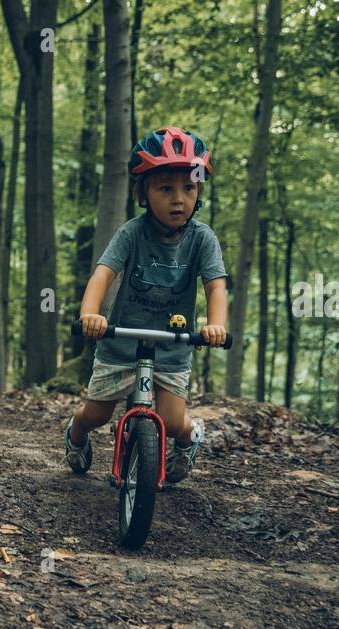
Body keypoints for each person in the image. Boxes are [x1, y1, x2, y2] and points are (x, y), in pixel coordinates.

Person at [64, 126, 229, 483]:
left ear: (198, 192)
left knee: (170, 422)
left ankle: (190, 437)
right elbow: (103, 274)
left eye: (188, 188)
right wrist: (90, 315)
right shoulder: (131, 233)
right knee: (97, 414)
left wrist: (216, 325)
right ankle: (76, 434)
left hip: (173, 347)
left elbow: (215, 286)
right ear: (144, 192)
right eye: (165, 188)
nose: (178, 199)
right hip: (121, 342)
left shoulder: (203, 239)